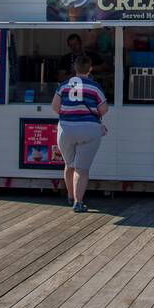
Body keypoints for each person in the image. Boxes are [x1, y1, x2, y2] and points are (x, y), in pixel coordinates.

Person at [51, 54, 108, 213]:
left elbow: (55, 107)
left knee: (69, 165)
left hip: (66, 129)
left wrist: (70, 112)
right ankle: (78, 202)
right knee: (81, 169)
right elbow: (103, 109)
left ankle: (70, 196)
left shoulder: (63, 85)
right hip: (89, 130)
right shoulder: (94, 87)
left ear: (74, 68)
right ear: (90, 68)